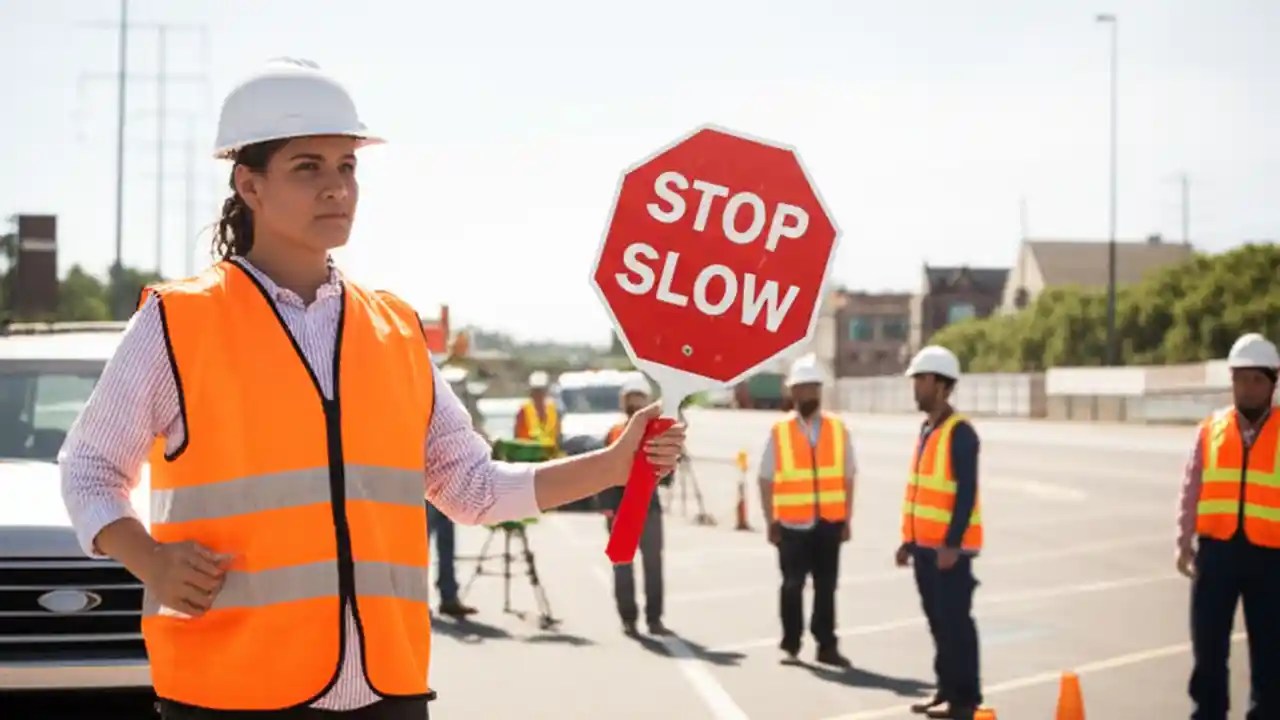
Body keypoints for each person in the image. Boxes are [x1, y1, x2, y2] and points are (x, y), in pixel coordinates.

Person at [57, 57, 686, 720]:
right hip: (231, 692)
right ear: (250, 184)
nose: (337, 188)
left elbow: (473, 489)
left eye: (347, 167)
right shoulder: (176, 322)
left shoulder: (395, 329)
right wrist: (150, 560)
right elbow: (90, 470)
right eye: (308, 167)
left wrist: (613, 464)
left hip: (385, 691)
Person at [1177, 332, 1279, 720]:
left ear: (1274, 381)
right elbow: (1191, 488)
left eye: (1257, 379)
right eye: (1240, 378)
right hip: (1216, 554)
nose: (1248, 388)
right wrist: (1183, 542)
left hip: (1271, 557)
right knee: (1208, 651)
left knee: (1270, 655)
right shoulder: (1211, 429)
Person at [897, 345, 983, 720]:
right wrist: (908, 542)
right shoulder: (928, 429)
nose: (915, 387)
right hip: (924, 549)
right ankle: (946, 688)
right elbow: (919, 491)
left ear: (939, 384)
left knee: (956, 626)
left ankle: (965, 700)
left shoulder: (960, 433)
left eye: (920, 380)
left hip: (949, 552)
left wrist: (951, 544)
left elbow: (965, 493)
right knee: (938, 625)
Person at [757, 355, 854, 668]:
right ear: (793, 393)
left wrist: (846, 519)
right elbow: (765, 478)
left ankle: (826, 645)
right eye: (802, 389)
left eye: (813, 388)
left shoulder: (838, 429)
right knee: (792, 585)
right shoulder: (780, 431)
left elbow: (849, 475)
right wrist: (770, 520)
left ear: (820, 391)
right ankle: (791, 642)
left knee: (827, 587)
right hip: (791, 525)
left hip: (828, 523)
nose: (808, 395)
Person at [597, 372, 669, 636]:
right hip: (620, 508)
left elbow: (666, 476)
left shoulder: (658, 432)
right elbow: (602, 471)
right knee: (622, 566)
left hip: (649, 506)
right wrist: (607, 507)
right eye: (631, 398)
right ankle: (628, 618)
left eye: (639, 398)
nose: (635, 404)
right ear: (623, 402)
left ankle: (654, 619)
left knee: (653, 565)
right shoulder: (614, 433)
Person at [513, 370, 561, 452]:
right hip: (529, 457)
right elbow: (517, 437)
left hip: (550, 457)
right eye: (535, 391)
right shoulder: (524, 410)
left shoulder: (553, 410)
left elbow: (558, 436)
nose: (538, 394)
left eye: (541, 391)